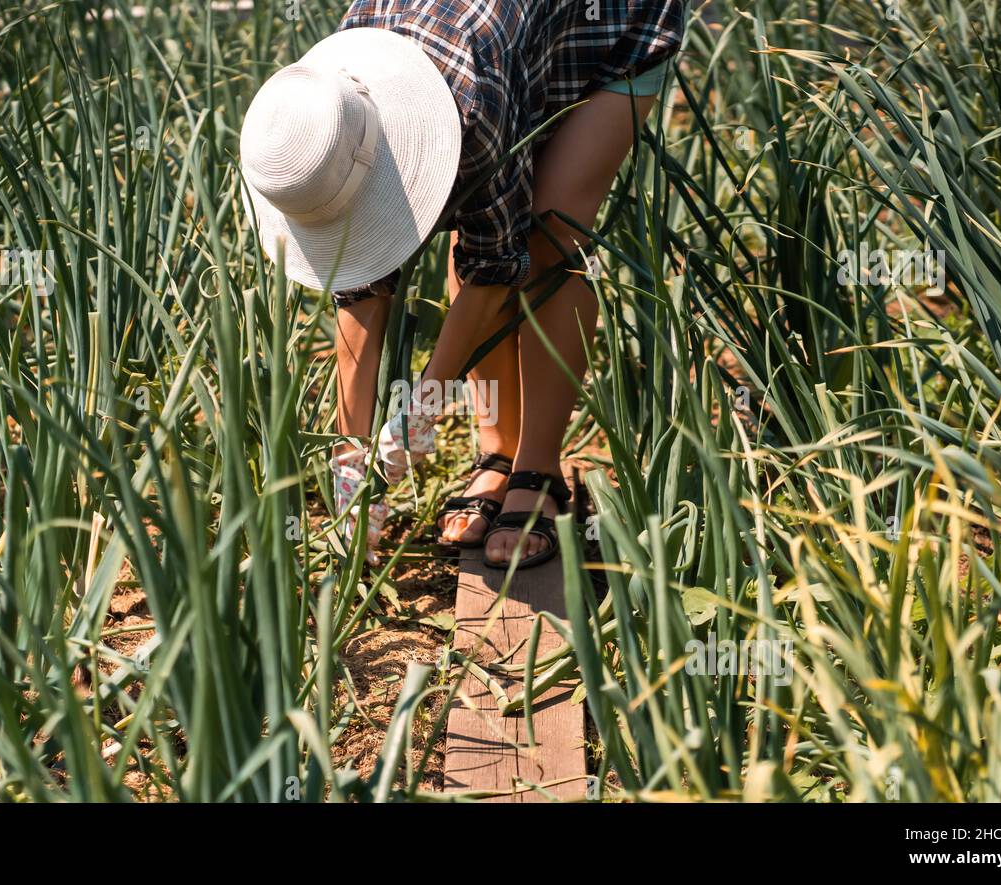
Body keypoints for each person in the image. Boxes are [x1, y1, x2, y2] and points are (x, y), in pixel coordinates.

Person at [239, 1, 685, 569]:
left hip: (606, 27)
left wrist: (418, 416)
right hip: (509, 46)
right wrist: (353, 478)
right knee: (476, 221)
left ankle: (538, 470)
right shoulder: (329, 105)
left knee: (551, 228)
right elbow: (358, 292)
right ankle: (497, 452)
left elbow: (494, 267)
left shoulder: (471, 106)